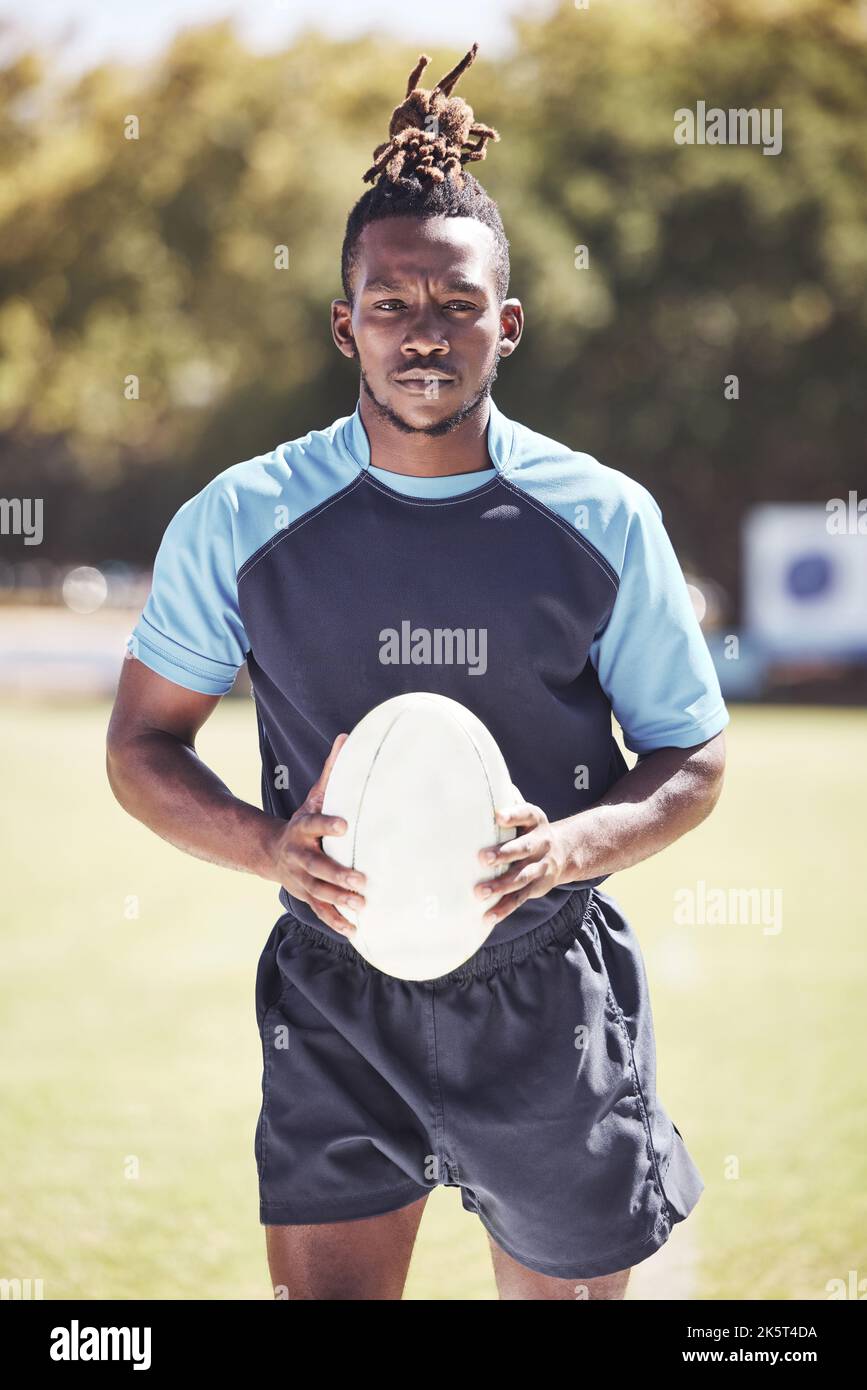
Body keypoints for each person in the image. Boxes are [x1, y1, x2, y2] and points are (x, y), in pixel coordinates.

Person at [106, 44, 728, 1301]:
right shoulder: (243, 518)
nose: (423, 333)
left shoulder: (601, 519)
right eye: (390, 305)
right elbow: (142, 747)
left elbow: (696, 757)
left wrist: (570, 846)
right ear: (347, 324)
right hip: (333, 999)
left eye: (455, 304)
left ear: (507, 321)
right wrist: (268, 846)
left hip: (545, 988)